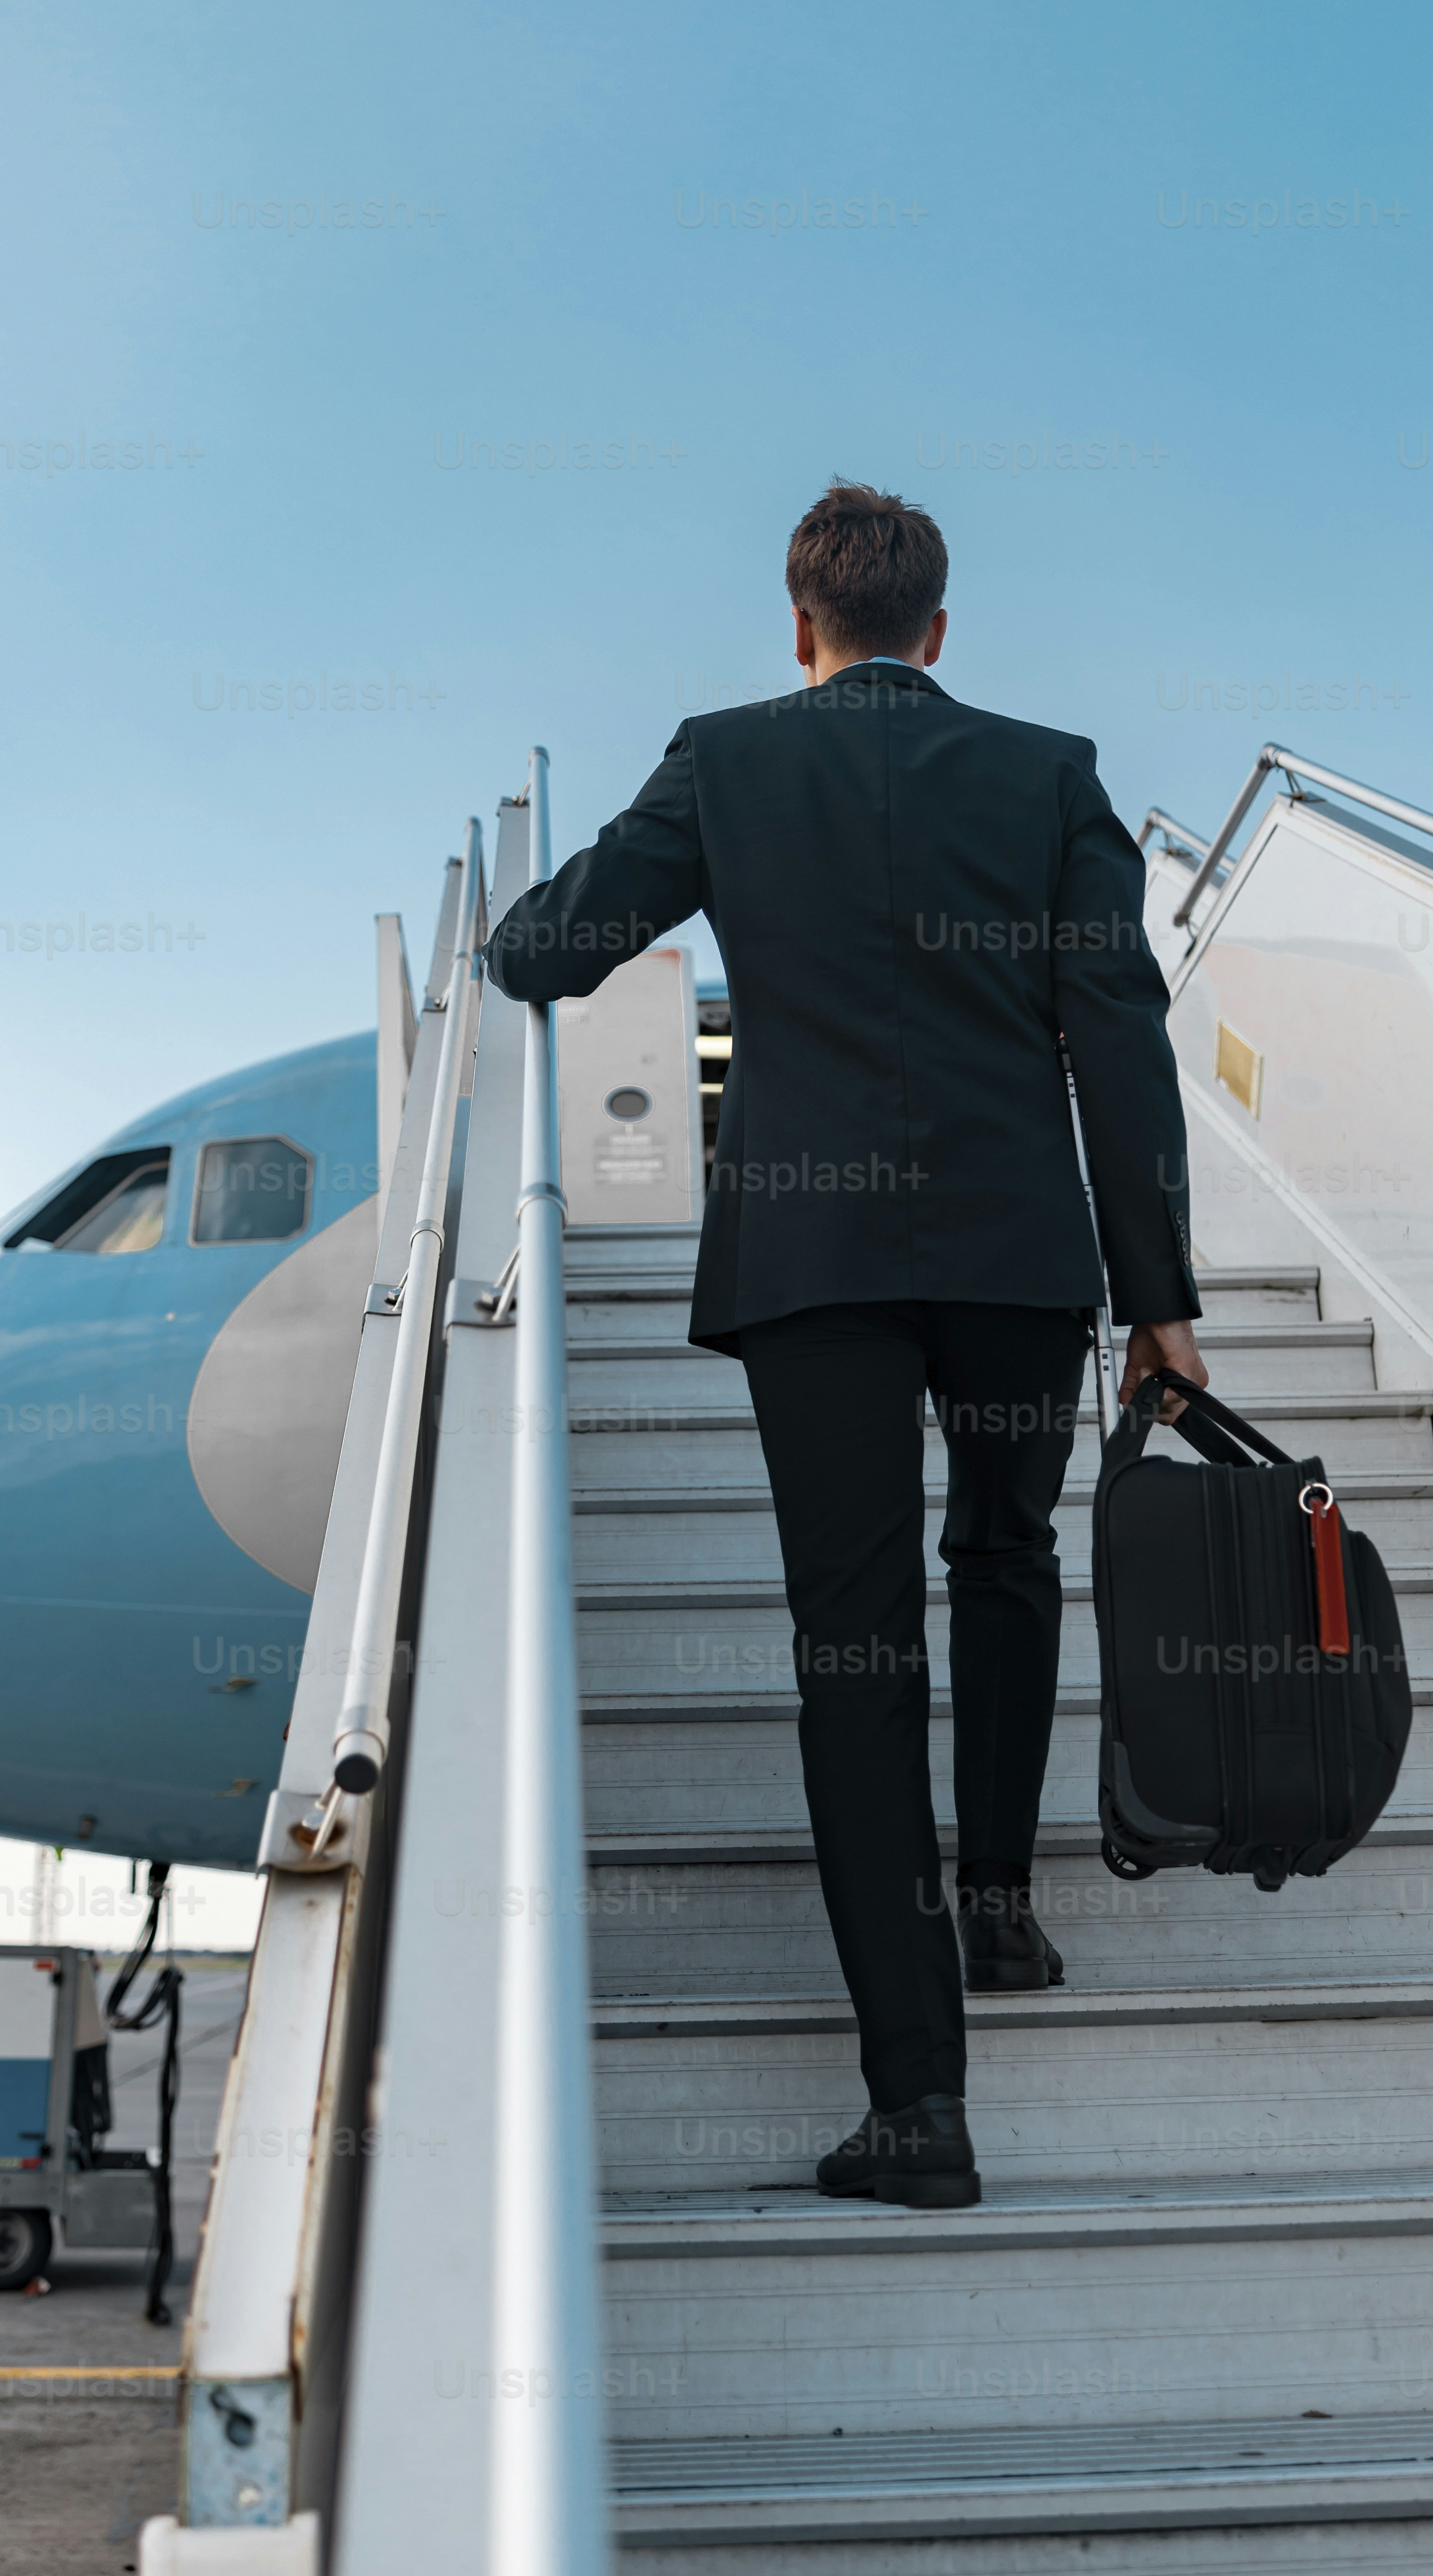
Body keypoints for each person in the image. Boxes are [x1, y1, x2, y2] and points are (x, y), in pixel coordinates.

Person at [485, 481, 1205, 2211]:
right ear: (939, 632)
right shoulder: (1051, 774)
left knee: (857, 1649)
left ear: (798, 627)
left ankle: (916, 2104)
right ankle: (1003, 1904)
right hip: (1023, 1250)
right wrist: (1160, 1295)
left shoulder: (726, 759)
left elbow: (549, 955)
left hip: (816, 1254)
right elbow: (1120, 1033)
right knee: (1011, 1552)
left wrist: (585, 890)